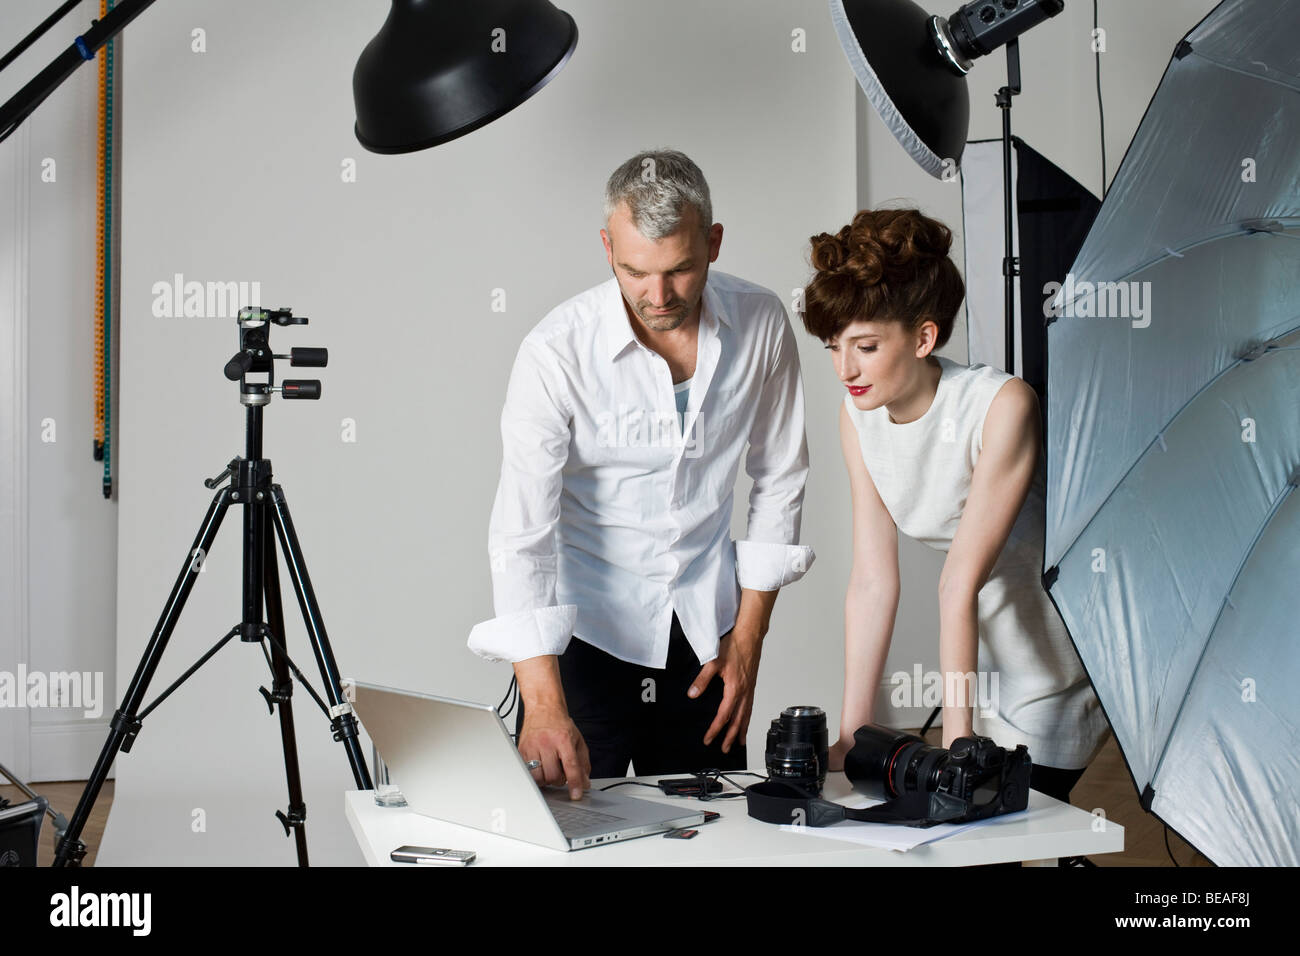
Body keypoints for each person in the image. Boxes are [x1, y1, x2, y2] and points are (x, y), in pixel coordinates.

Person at [467, 149, 815, 798]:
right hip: (581, 644)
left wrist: (748, 641)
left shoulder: (763, 321)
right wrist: (542, 702)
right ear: (607, 248)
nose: (658, 296)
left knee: (711, 840)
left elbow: (780, 478)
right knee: (567, 837)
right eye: (635, 272)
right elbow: (523, 536)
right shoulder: (554, 354)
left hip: (706, 638)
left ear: (713, 243)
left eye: (681, 270)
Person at [800, 207, 1111, 806]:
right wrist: (850, 735)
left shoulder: (1000, 406)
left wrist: (959, 742)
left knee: (1007, 830)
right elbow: (871, 581)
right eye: (834, 346)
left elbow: (957, 583)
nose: (844, 369)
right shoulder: (858, 417)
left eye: (865, 346)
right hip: (975, 658)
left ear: (924, 337)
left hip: (1051, 658)